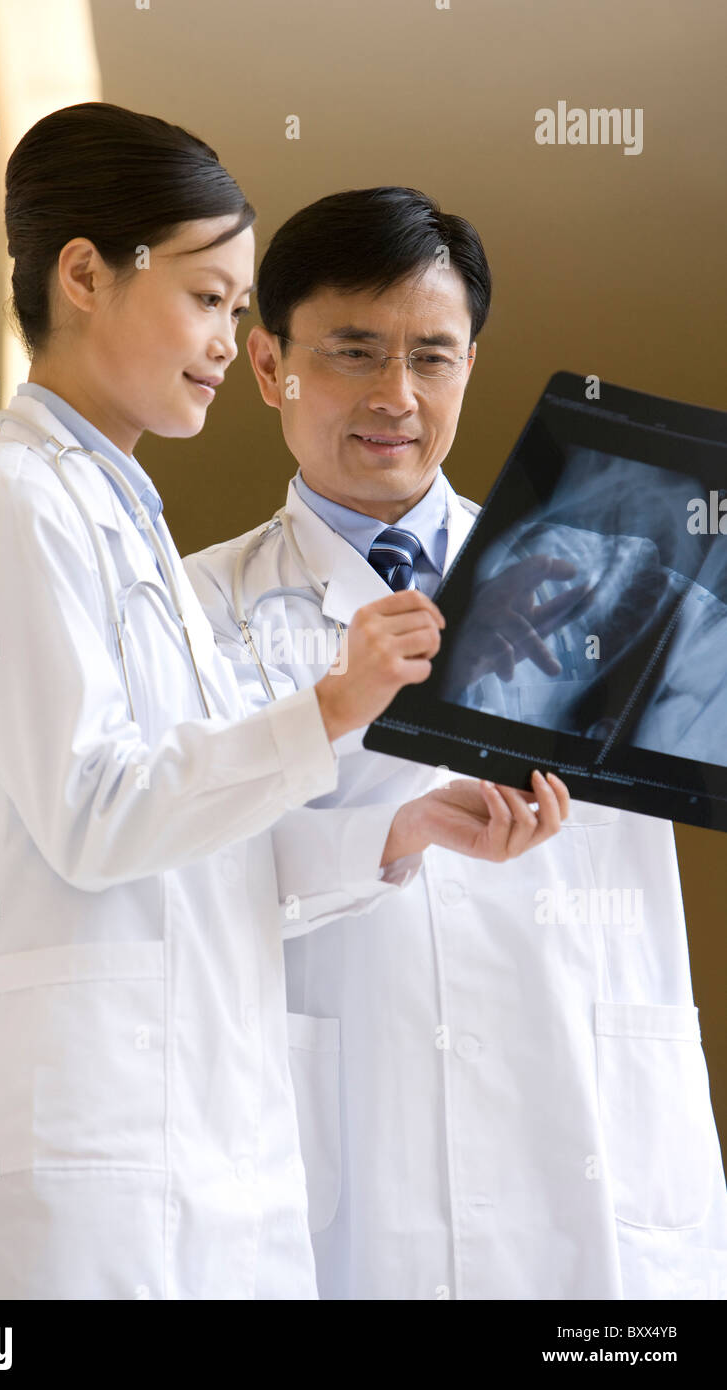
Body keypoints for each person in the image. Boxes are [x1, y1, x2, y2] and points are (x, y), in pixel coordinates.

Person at [0, 109, 567, 1302]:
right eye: (207, 299)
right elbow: (100, 813)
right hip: (82, 1168)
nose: (227, 342)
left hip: (196, 1157)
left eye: (236, 310)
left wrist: (391, 832)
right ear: (86, 275)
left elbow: (204, 861)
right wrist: (331, 704)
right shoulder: (12, 510)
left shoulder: (125, 526)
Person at [185, 186, 727, 1300]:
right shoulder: (188, 612)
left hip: (581, 1151)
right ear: (266, 364)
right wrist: (379, 833)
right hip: (341, 1180)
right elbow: (175, 887)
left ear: (469, 365)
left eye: (431, 356)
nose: (395, 396)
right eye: (352, 350)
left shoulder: (614, 580)